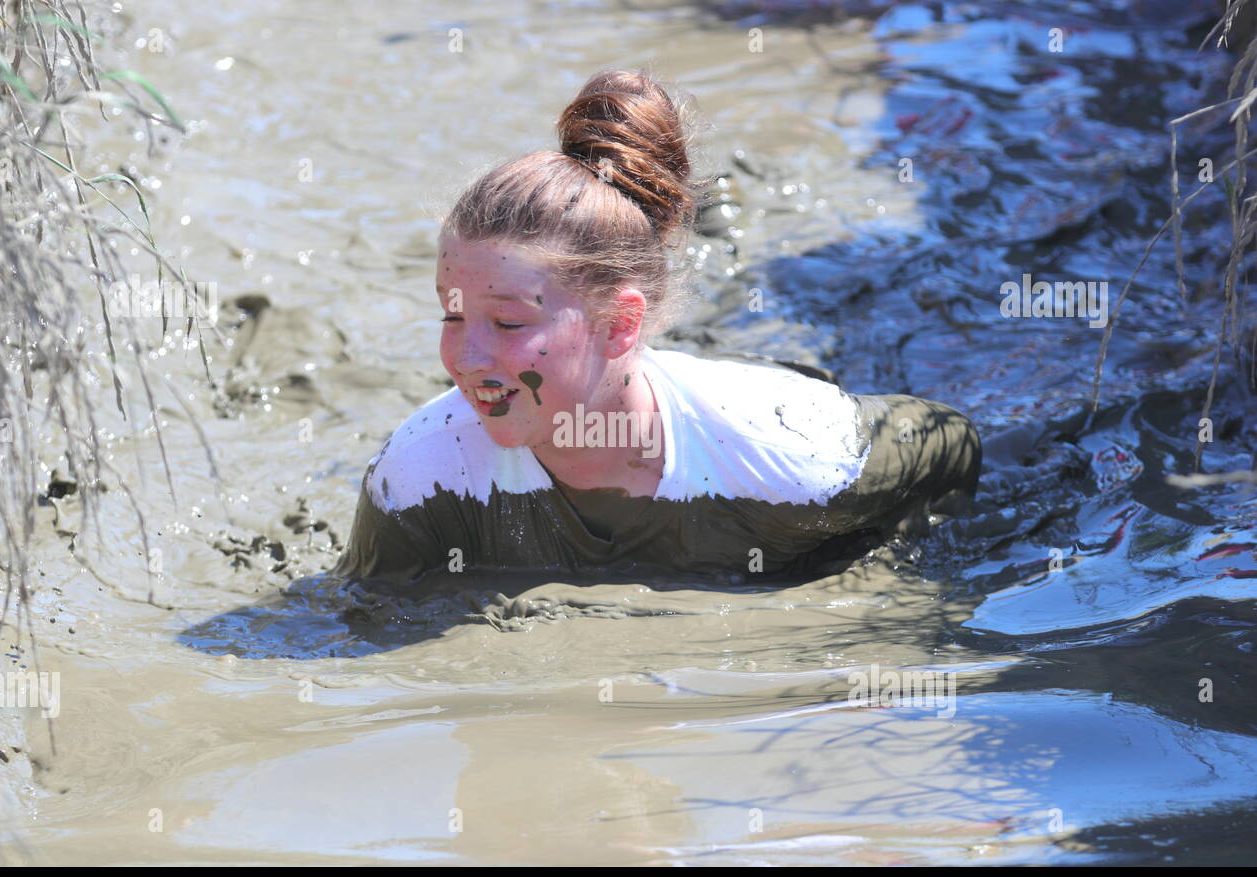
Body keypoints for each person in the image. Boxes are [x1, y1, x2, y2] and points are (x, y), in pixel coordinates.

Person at [334, 69, 980, 586]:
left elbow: (952, 443)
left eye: (506, 321)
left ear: (619, 323)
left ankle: (724, 214)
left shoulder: (796, 455)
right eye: (452, 313)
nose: (466, 358)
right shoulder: (419, 482)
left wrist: (886, 585)